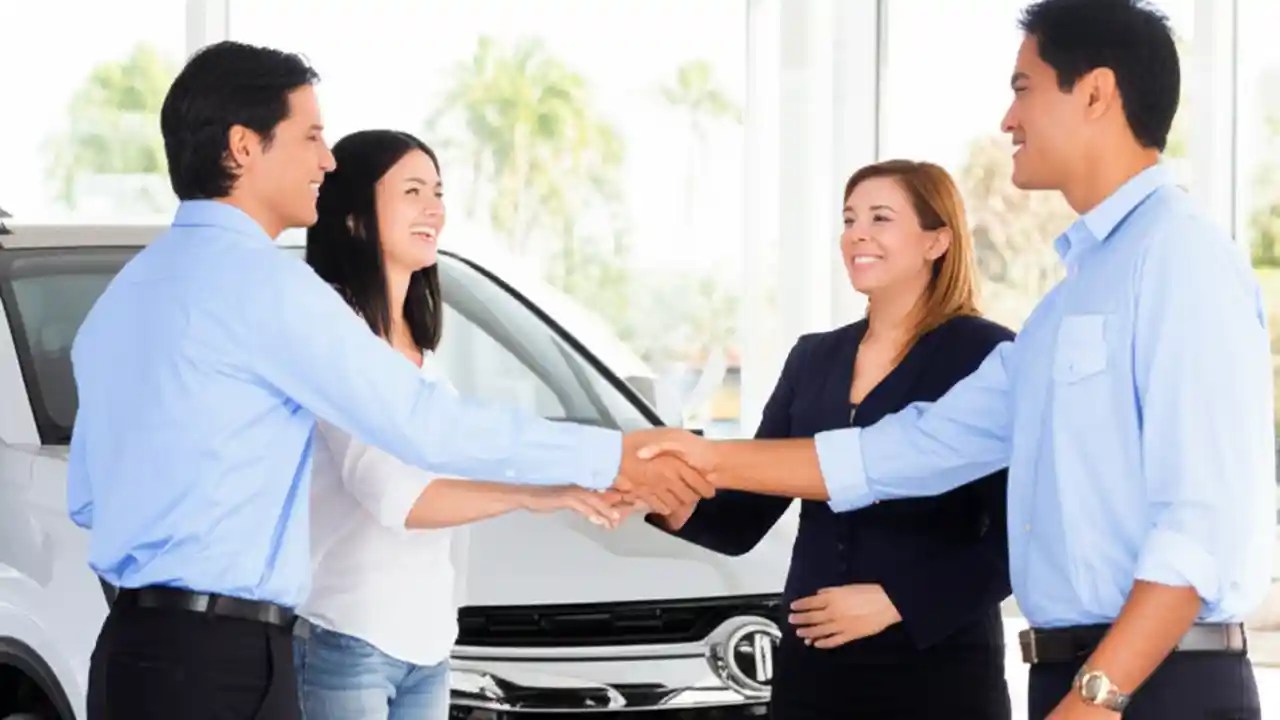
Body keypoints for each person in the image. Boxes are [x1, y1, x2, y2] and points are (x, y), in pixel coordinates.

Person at [639, 2, 1272, 719]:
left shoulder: (1182, 260)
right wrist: (696, 459)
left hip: (1150, 684)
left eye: (1023, 87)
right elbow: (907, 448)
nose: (1008, 118)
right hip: (1079, 675)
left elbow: (1200, 521)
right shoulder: (1067, 303)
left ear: (1095, 93)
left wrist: (1098, 695)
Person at [67, 41, 708, 720]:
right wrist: (612, 453)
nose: (327, 159)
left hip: (130, 655)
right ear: (242, 147)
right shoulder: (267, 288)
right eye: (311, 135)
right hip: (225, 665)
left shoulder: (123, 298)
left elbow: (88, 500)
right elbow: (422, 426)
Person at [648, 160, 1014, 719]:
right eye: (849, 219)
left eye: (880, 218)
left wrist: (897, 602)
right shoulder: (812, 356)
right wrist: (664, 497)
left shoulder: (988, 356)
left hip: (936, 668)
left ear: (936, 240)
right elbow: (743, 519)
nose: (856, 234)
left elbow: (1015, 542)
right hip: (813, 672)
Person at [292, 128, 628, 719]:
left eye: (438, 192)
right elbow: (400, 499)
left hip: (426, 644)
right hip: (349, 638)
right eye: (412, 191)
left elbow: (475, 444)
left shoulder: (421, 355)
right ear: (353, 219)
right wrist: (534, 495)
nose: (434, 209)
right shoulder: (338, 340)